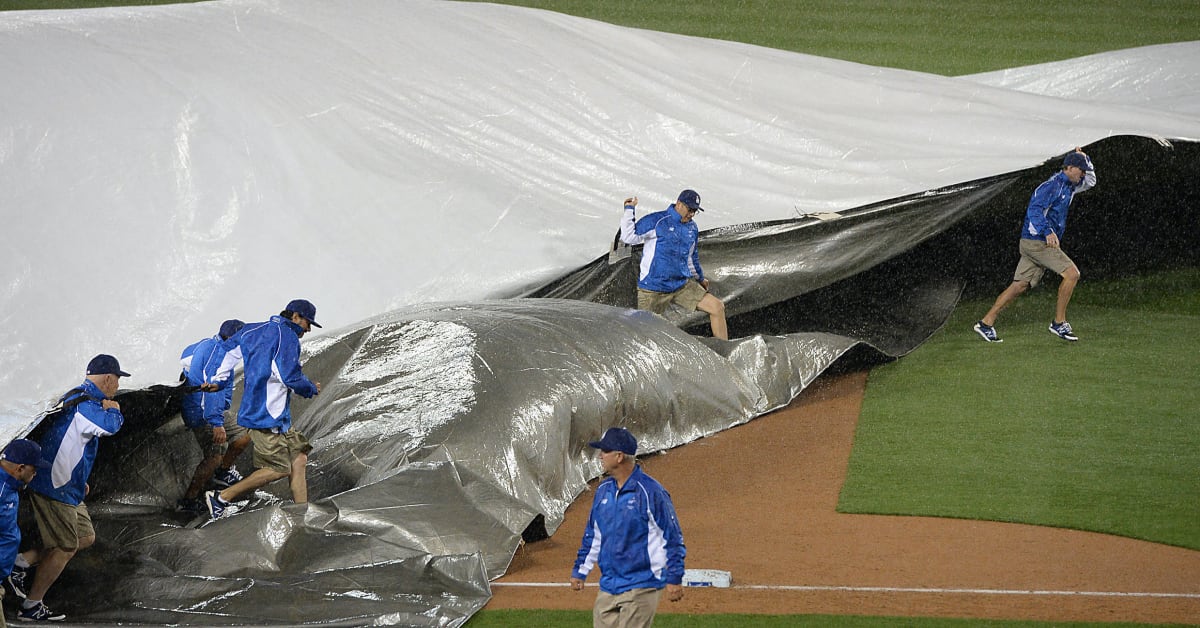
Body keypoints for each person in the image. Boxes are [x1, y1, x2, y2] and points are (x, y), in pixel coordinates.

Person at [9, 355, 129, 622]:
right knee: (65, 546)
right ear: (108, 378)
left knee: (84, 538)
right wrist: (115, 409)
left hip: (67, 485)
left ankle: (20, 563)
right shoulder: (88, 405)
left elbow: (71, 442)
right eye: (118, 379)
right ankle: (31, 606)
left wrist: (79, 477)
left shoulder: (77, 394)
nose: (118, 386)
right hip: (56, 486)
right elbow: (109, 427)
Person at [204, 300, 322, 519]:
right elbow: (289, 376)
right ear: (295, 316)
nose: (307, 329)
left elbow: (227, 350)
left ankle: (301, 513)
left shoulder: (252, 329)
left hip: (273, 415)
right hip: (266, 416)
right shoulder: (287, 337)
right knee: (279, 468)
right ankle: (221, 497)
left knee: (299, 458)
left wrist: (218, 380)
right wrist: (308, 388)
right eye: (308, 322)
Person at [974, 149, 1096, 343]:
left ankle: (986, 323)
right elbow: (1034, 210)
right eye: (1081, 169)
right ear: (1069, 168)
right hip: (1037, 242)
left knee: (1019, 285)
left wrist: (1085, 158)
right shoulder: (1051, 186)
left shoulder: (1070, 185)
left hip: (1034, 242)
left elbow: (1091, 181)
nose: (1083, 173)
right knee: (1072, 274)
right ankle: (1059, 323)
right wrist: (1047, 231)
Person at [570, 427, 686, 628]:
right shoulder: (604, 491)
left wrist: (674, 577)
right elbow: (594, 533)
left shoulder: (651, 492)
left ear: (619, 456)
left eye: (605, 451)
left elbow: (671, 536)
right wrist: (581, 570)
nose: (600, 456)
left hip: (642, 584)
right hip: (609, 585)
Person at [619, 190, 728, 340]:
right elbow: (628, 237)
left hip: (680, 285)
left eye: (695, 211)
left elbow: (691, 258)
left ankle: (722, 355)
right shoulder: (657, 221)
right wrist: (629, 210)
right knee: (646, 334)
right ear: (679, 204)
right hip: (653, 288)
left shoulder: (692, 228)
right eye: (690, 210)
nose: (692, 214)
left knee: (717, 307)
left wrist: (700, 278)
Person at [175, 319, 246, 514]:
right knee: (214, 456)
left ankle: (222, 474)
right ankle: (188, 501)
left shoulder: (208, 345)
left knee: (242, 436)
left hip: (208, 407)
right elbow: (210, 389)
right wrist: (216, 424)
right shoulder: (219, 356)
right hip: (203, 412)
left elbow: (186, 355)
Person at [0, 440, 49, 628]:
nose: (35, 473)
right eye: (34, 468)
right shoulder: (2, 490)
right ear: (20, 468)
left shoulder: (9, 485)